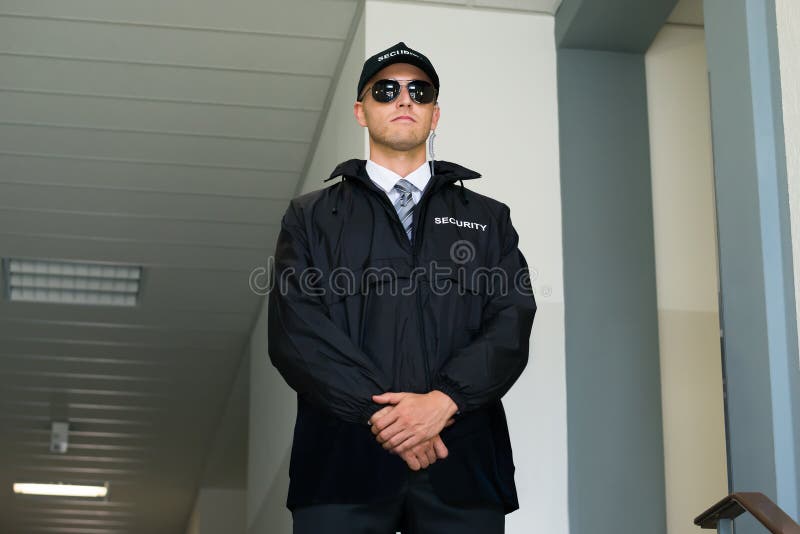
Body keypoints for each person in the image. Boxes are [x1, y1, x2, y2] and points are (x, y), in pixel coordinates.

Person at [267, 41, 537, 534]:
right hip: (341, 469)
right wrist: (389, 420)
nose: (403, 99)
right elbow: (296, 331)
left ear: (435, 115)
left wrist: (444, 401)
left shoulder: (488, 219)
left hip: (464, 466)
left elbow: (512, 321)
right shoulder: (310, 217)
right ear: (361, 110)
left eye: (419, 91)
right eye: (386, 90)